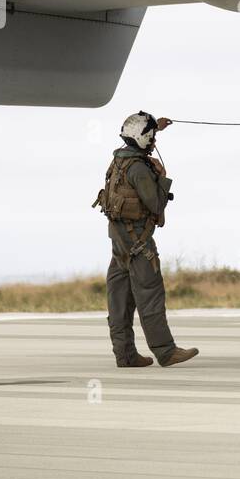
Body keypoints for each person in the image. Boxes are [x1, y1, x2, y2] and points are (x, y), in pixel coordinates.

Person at [93, 112, 199, 367]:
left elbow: (140, 135)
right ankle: (166, 351)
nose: (153, 142)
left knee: (119, 300)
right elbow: (155, 203)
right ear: (143, 138)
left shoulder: (118, 162)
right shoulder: (141, 169)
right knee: (150, 295)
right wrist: (162, 179)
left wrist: (157, 128)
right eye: (151, 138)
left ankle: (125, 355)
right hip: (139, 244)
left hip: (119, 243)